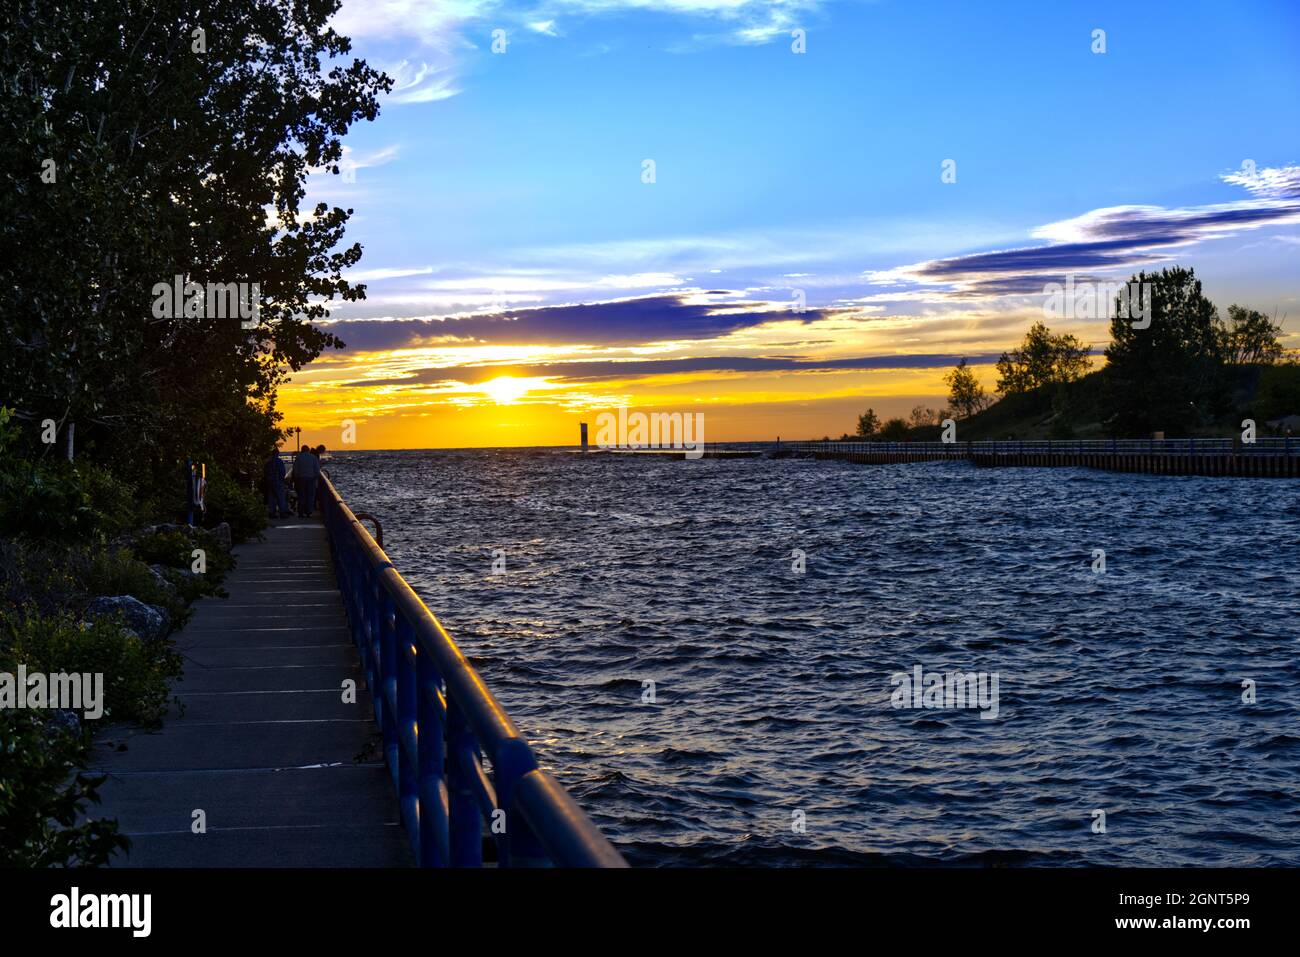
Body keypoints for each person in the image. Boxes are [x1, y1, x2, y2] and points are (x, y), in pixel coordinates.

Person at [293, 444, 320, 517]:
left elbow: (295, 469)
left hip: (301, 479)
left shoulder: (298, 457)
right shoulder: (313, 457)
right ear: (308, 450)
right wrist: (316, 477)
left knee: (301, 495)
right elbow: (317, 469)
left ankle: (301, 512)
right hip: (311, 479)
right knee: (310, 496)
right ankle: (308, 512)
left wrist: (296, 478)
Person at [264, 449, 289, 519]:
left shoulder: (268, 462)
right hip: (278, 481)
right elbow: (282, 472)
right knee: (281, 497)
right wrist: (282, 480)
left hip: (269, 481)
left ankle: (272, 513)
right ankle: (282, 512)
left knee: (271, 498)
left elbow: (265, 471)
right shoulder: (279, 461)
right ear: (278, 454)